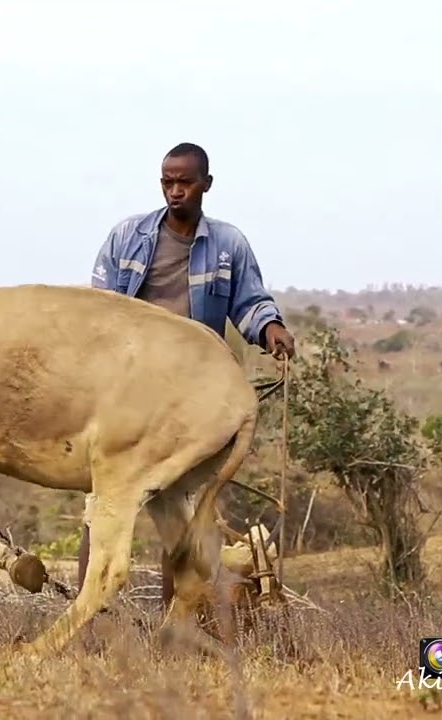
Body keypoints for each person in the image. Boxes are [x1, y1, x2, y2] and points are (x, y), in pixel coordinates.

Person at [80, 141, 295, 605]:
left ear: (206, 185)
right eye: (167, 182)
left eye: (185, 182)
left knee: (180, 507)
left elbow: (250, 301)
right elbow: (96, 309)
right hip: (128, 394)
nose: (175, 191)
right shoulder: (127, 238)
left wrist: (270, 327)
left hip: (191, 401)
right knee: (105, 503)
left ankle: (172, 622)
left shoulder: (227, 245)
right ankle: (88, 621)